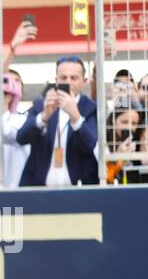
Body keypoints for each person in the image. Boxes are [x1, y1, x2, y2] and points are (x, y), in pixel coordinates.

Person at [16, 56, 99, 186]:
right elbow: (21, 138)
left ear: (84, 81)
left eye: (74, 78)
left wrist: (76, 117)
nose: (68, 82)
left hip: (80, 189)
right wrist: (44, 116)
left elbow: (91, 145)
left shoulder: (91, 108)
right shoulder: (41, 104)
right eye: (63, 78)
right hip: (39, 189)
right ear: (56, 80)